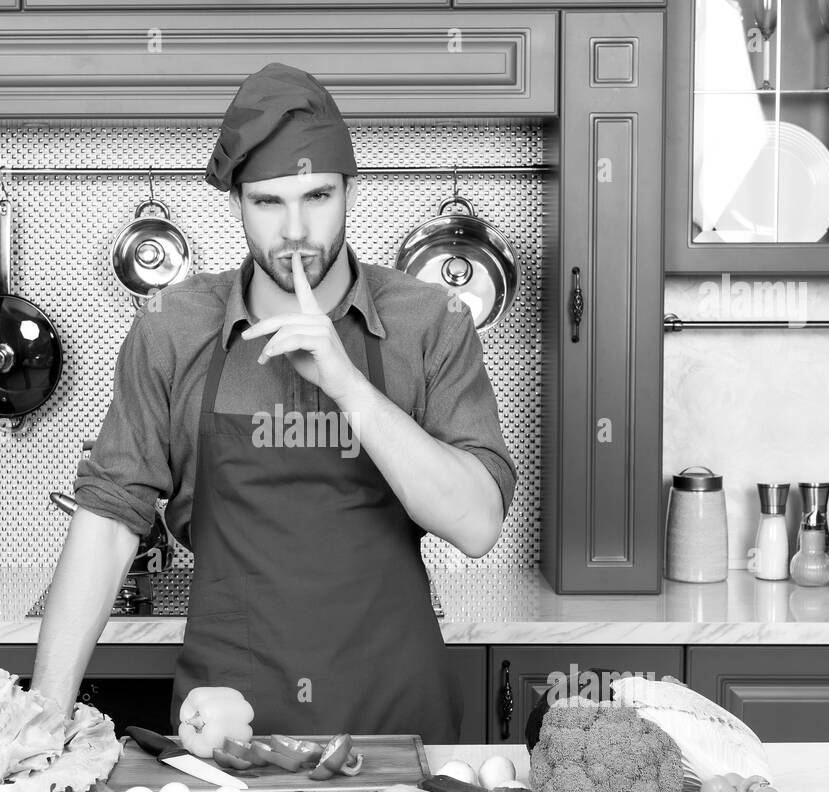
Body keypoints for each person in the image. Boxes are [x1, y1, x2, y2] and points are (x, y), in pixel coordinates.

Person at [32, 63, 515, 744]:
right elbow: (109, 522)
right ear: (236, 203)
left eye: (317, 195)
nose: (296, 230)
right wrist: (42, 722)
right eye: (268, 202)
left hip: (398, 725)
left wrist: (350, 386)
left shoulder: (429, 323)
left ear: (351, 188)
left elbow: (477, 524)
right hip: (225, 725)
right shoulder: (173, 328)